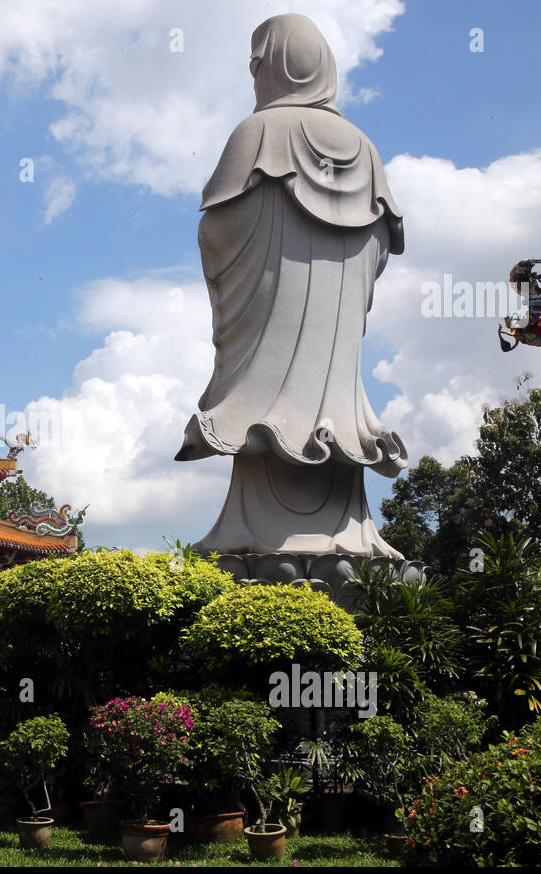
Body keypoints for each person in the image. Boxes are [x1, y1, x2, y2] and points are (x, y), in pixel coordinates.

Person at [175, 13, 407, 557]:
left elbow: (219, 230)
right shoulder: (365, 148)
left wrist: (247, 249)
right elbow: (378, 250)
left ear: (275, 65)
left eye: (256, 64)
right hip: (336, 349)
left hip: (268, 333)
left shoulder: (258, 132)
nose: (254, 76)